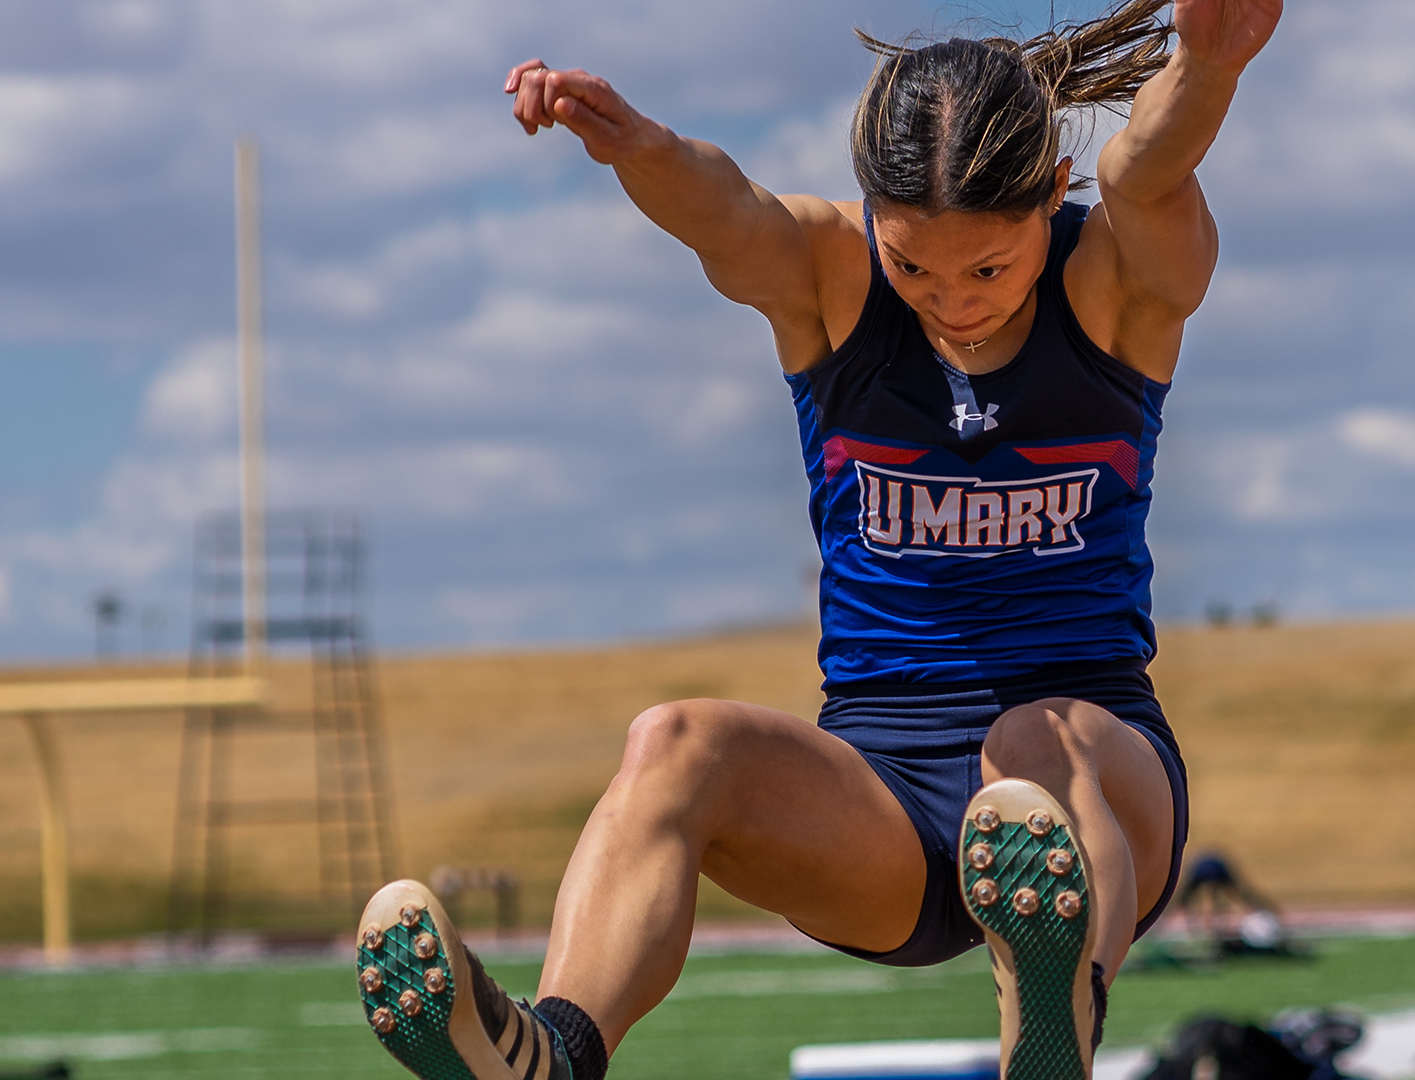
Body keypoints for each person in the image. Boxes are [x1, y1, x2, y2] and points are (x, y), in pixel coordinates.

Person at [351, 1, 1281, 1077]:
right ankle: (550, 1055)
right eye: (916, 265)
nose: (952, 301)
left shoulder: (1113, 290)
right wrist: (635, 144)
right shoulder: (834, 283)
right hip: (883, 800)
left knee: (1027, 744)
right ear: (872, 217)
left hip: (1094, 782)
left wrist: (1208, 65)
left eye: (987, 267)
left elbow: (1146, 172)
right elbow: (728, 212)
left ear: (1051, 202)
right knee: (674, 745)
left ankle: (1058, 1020)